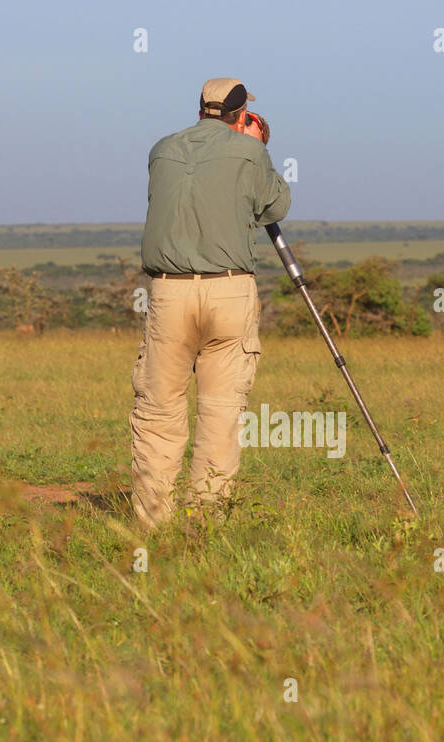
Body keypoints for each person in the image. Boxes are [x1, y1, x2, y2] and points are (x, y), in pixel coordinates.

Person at [132, 78, 291, 529]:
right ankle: (205, 520)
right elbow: (274, 206)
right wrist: (256, 147)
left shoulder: (162, 150)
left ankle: (152, 523)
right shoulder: (249, 151)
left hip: (167, 292)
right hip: (228, 290)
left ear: (201, 109)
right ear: (242, 115)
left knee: (159, 408)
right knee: (221, 411)